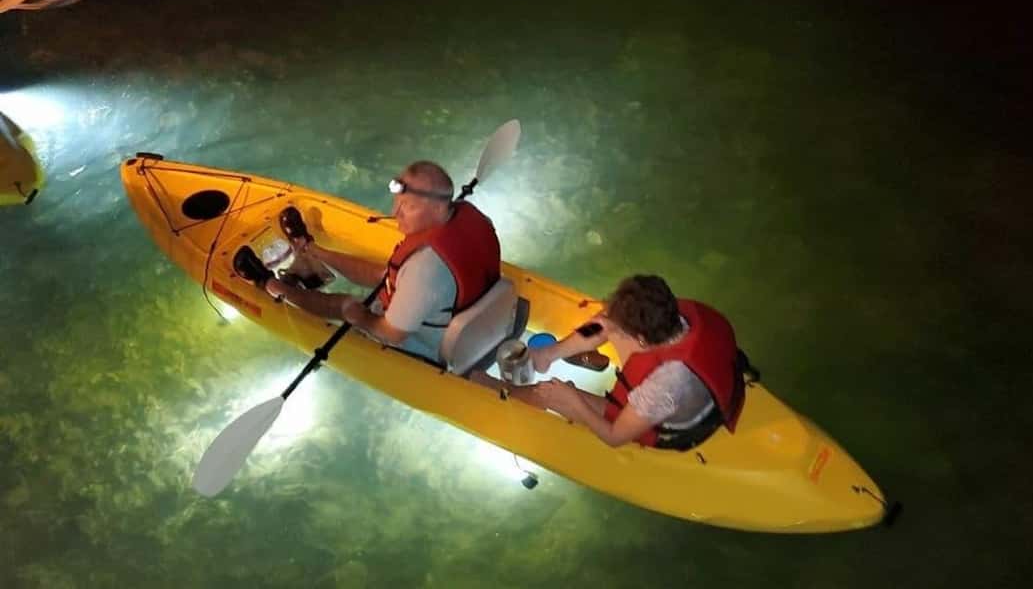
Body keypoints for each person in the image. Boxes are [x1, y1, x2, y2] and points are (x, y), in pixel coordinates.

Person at [233, 160, 502, 362]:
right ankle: (312, 251)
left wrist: (360, 317)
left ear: (437, 208)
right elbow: (387, 275)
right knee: (383, 276)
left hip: (428, 343)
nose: (393, 212)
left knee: (344, 304)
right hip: (466, 311)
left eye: (407, 207)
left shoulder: (425, 269)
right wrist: (322, 252)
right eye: (397, 201)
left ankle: (269, 284)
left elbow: (392, 334)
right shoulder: (471, 217)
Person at [523, 274, 748, 450]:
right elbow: (608, 323)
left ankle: (495, 387)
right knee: (605, 323)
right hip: (697, 387)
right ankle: (548, 355)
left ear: (641, 339)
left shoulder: (663, 384)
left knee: (547, 393)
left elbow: (614, 436)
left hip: (680, 426)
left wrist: (573, 401)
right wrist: (550, 352)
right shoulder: (672, 317)